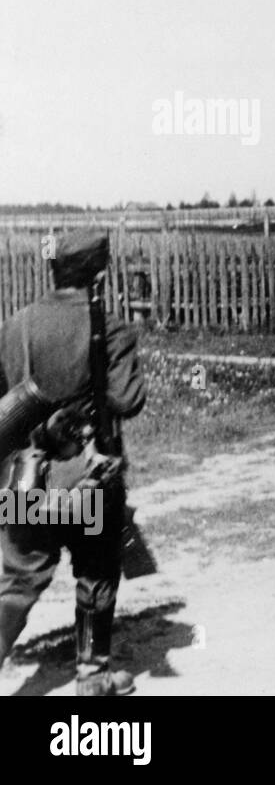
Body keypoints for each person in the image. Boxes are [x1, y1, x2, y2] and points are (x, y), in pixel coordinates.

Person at [0, 229, 146, 695]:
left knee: (18, 580)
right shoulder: (114, 329)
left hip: (23, 479)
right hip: (89, 478)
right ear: (99, 274)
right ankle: (91, 675)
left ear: (54, 269)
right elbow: (128, 400)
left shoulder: (15, 324)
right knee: (97, 571)